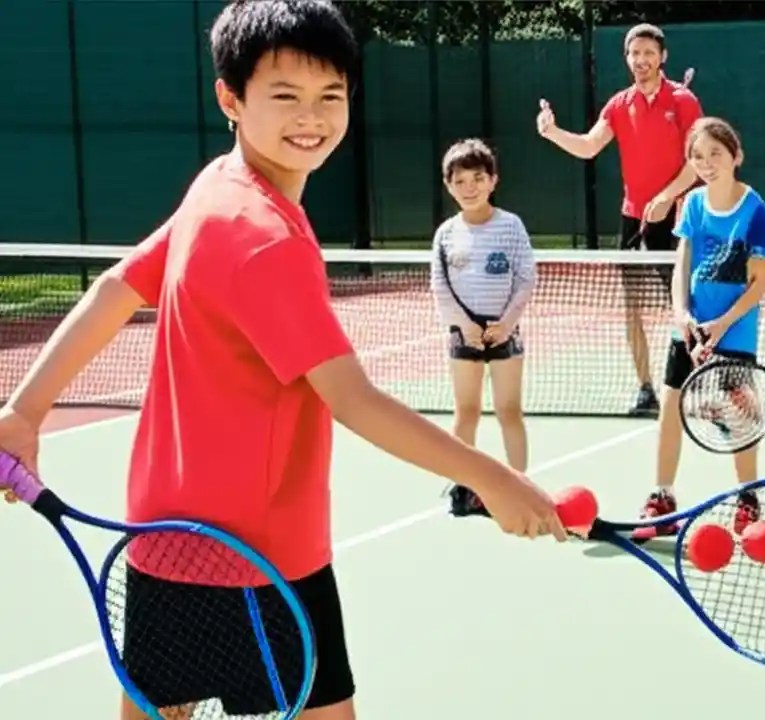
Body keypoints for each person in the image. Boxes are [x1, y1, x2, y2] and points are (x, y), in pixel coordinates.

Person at [0, 3, 566, 718]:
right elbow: (352, 399)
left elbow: (118, 287)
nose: (313, 117)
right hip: (263, 555)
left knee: (154, 711)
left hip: (163, 536)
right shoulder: (269, 241)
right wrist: (492, 478)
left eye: (330, 96)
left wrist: (24, 409)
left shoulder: (216, 187)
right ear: (230, 99)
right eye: (285, 96)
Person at [536, 23, 703, 417]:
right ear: (627, 59)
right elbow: (590, 145)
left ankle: (699, 379)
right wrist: (553, 132)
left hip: (677, 217)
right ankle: (645, 388)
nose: (641, 60)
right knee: (631, 307)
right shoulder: (618, 104)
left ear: (662, 57)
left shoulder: (682, 100)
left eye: (649, 53)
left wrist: (665, 198)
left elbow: (698, 161)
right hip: (633, 218)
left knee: (685, 304)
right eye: (634, 54)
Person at [630, 116, 765, 542]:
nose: (707, 163)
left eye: (715, 153)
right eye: (697, 156)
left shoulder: (755, 211)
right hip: (690, 328)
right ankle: (662, 499)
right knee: (670, 408)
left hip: (733, 331)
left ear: (736, 156)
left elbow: (760, 282)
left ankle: (748, 500)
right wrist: (681, 312)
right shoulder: (693, 204)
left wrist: (721, 324)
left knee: (740, 416)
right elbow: (683, 259)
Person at [431, 139, 536, 517]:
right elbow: (440, 286)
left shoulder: (511, 226)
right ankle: (463, 488)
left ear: (493, 181)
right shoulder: (446, 234)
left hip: (507, 336)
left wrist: (507, 323)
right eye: (460, 181)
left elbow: (526, 278)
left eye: (478, 178)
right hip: (463, 339)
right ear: (449, 186)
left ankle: (520, 487)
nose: (469, 187)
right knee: (467, 412)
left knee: (509, 411)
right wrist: (465, 326)